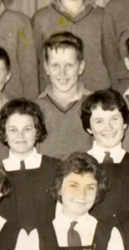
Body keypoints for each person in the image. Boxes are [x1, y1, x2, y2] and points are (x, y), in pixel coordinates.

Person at [31, 0, 109, 94]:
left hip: (98, 105)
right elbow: (31, 68)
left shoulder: (104, 17)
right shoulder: (41, 19)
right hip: (55, 105)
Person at [0, 99, 62, 232]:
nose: (20, 136)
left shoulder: (55, 167)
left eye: (27, 129)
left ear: (37, 132)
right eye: (13, 130)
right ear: (4, 133)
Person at [81, 89, 129, 226]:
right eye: (99, 121)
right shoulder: (78, 165)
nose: (108, 127)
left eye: (114, 118)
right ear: (89, 128)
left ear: (124, 123)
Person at [34, 31, 94, 159]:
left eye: (69, 65)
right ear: (46, 67)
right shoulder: (35, 108)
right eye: (55, 65)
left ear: (81, 67)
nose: (62, 73)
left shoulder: (95, 104)